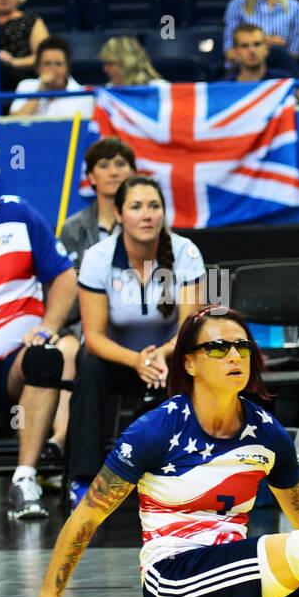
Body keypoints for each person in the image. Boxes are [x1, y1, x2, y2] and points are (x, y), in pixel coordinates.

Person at [0, 307, 299, 597]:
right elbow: (86, 517)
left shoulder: (267, 433)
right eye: (218, 347)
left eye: (242, 347)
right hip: (174, 584)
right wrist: (49, 596)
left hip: (239, 585)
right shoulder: (156, 429)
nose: (234, 356)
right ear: (188, 362)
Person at [66, 176, 205, 508]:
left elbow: (190, 327)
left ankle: (196, 473)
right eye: (136, 207)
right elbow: (94, 338)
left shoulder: (185, 251)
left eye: (154, 207)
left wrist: (161, 354)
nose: (147, 215)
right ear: (118, 214)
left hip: (170, 357)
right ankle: (83, 480)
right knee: (88, 362)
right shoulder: (98, 258)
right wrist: (136, 361)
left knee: (201, 356)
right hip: (118, 361)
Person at [0, 139, 77, 521]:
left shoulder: (17, 214)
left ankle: (24, 478)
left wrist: (48, 327)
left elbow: (64, 276)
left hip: (13, 365)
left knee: (47, 359)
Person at [60, 138, 135, 273]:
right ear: (91, 177)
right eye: (104, 165)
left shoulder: (148, 222)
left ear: (133, 173)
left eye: (120, 164)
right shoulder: (71, 229)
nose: (113, 172)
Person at [224, 0, 299, 63]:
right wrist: (257, 50)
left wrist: (279, 51)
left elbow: (295, 54)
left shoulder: (295, 7)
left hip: (281, 66)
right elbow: (229, 52)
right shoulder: (236, 5)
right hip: (244, 68)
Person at [227, 23, 299, 103]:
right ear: (236, 52)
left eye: (257, 44)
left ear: (266, 49)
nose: (252, 50)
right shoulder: (226, 86)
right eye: (244, 46)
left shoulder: (283, 81)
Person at [9, 37, 94, 120]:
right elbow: (13, 123)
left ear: (67, 67)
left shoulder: (83, 95)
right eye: (47, 63)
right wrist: (40, 90)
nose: (53, 69)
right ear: (38, 67)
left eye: (58, 64)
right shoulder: (26, 86)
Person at [99, 36, 164, 87]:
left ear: (128, 63)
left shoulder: (160, 89)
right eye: (105, 64)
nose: (105, 69)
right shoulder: (108, 93)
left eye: (110, 64)